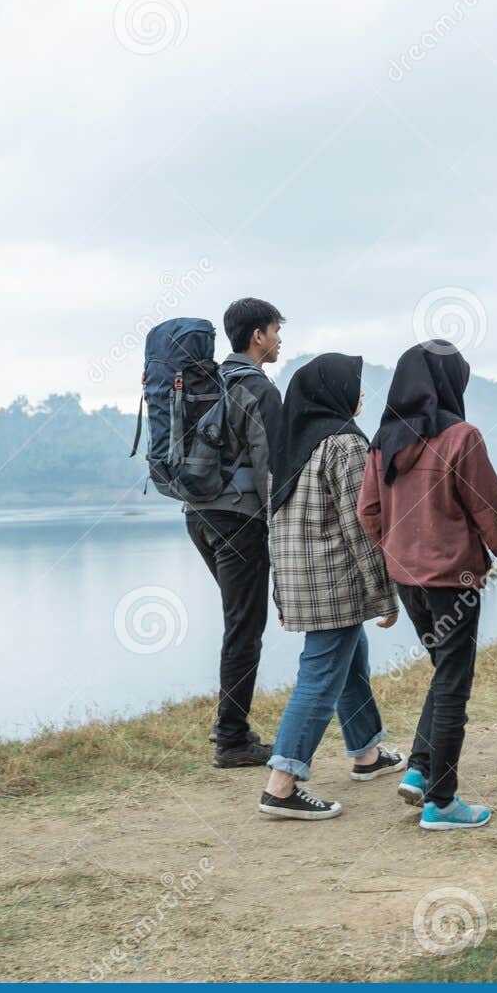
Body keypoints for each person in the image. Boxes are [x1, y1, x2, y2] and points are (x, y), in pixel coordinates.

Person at [357, 340, 497, 831]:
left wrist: (400, 551)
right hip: (453, 580)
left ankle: (419, 770)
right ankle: (443, 801)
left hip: (407, 580)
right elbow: (493, 516)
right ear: (449, 381)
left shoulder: (383, 442)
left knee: (444, 671)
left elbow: (367, 513)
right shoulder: (462, 437)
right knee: (454, 683)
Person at [258, 353, 405, 820]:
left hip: (303, 585)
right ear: (334, 392)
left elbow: (275, 530)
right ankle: (281, 785)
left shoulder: (288, 446)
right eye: (355, 384)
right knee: (320, 675)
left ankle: (365, 752)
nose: (360, 393)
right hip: (336, 583)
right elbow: (362, 525)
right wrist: (386, 592)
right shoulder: (345, 445)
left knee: (349, 655)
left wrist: (282, 594)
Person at [184, 298, 286, 768]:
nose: (279, 339)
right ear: (257, 336)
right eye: (275, 330)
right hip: (237, 521)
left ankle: (231, 726)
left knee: (237, 622)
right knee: (244, 628)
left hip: (198, 516)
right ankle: (231, 739)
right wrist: (282, 528)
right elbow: (270, 468)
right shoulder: (259, 390)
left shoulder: (209, 381)